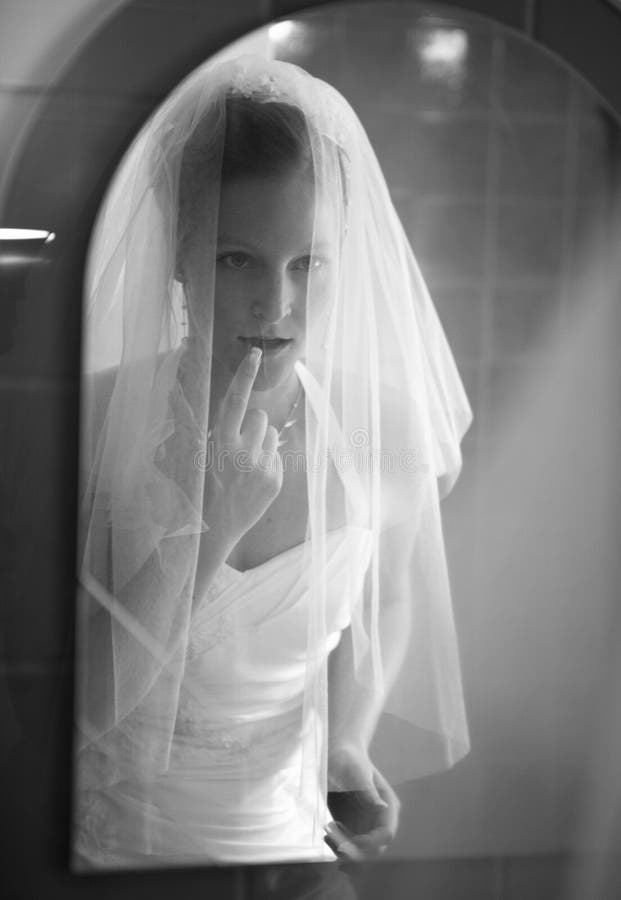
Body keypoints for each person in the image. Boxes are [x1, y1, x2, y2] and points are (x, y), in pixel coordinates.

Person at [73, 55, 473, 869]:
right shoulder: (93, 422)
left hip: (290, 853)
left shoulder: (382, 431)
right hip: (114, 862)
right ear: (178, 256)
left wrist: (348, 741)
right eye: (236, 258)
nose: (276, 304)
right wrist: (205, 526)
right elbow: (75, 710)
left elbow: (386, 596)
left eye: (306, 264)